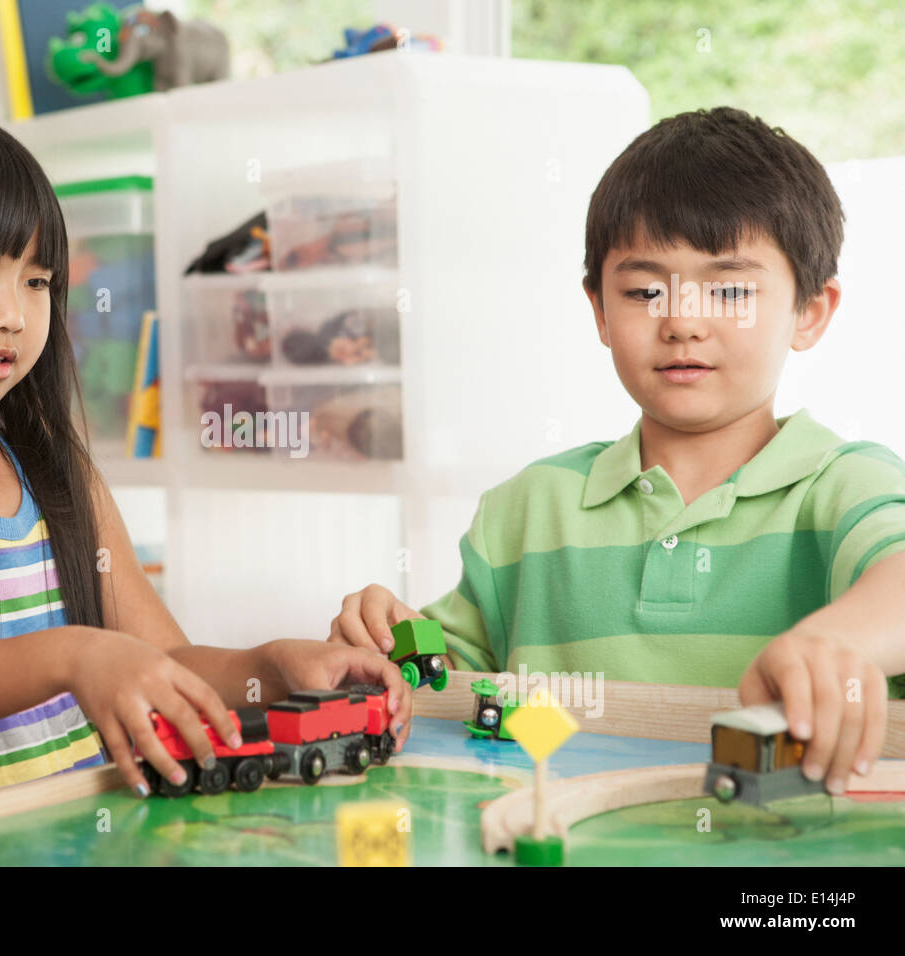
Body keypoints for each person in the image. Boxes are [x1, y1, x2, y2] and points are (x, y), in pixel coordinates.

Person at [0, 101, 411, 840]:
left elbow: (164, 659)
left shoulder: (57, 475)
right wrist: (73, 655)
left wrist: (276, 666)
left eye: (37, 281)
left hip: (53, 841)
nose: (13, 315)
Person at [330, 107, 905, 799]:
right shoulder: (526, 510)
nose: (683, 322)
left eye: (729, 289)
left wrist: (838, 643)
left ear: (810, 311)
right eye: (642, 291)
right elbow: (445, 689)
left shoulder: (846, 484)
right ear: (600, 310)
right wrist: (383, 641)